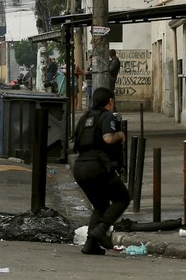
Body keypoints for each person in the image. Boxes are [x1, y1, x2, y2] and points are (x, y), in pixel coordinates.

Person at [71, 87, 130, 255]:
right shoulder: (106, 116)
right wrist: (120, 135)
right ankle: (101, 230)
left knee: (101, 204)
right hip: (97, 167)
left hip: (79, 167)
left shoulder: (85, 118)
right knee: (122, 198)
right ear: (110, 101)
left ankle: (91, 244)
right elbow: (108, 138)